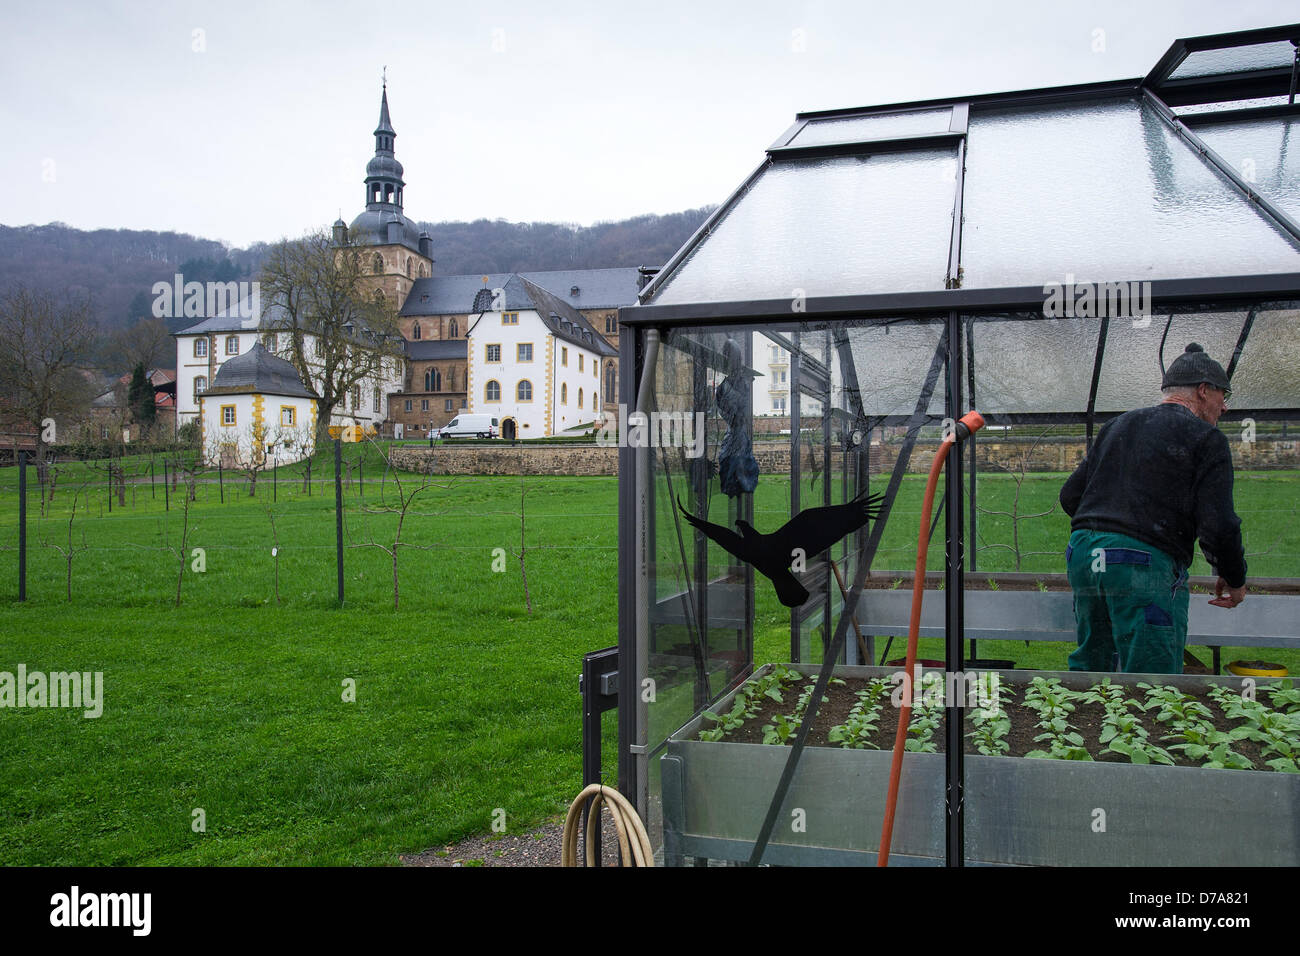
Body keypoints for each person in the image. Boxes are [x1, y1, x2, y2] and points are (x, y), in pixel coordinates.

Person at [1059, 343, 1247, 674]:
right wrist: (1233, 577)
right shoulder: (1206, 438)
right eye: (1222, 394)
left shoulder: (1118, 425)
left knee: (1092, 667)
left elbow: (1069, 496)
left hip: (1085, 557)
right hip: (1139, 565)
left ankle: (1076, 724)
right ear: (1203, 391)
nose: (1225, 406)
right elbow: (1218, 525)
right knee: (1151, 682)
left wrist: (1107, 532)